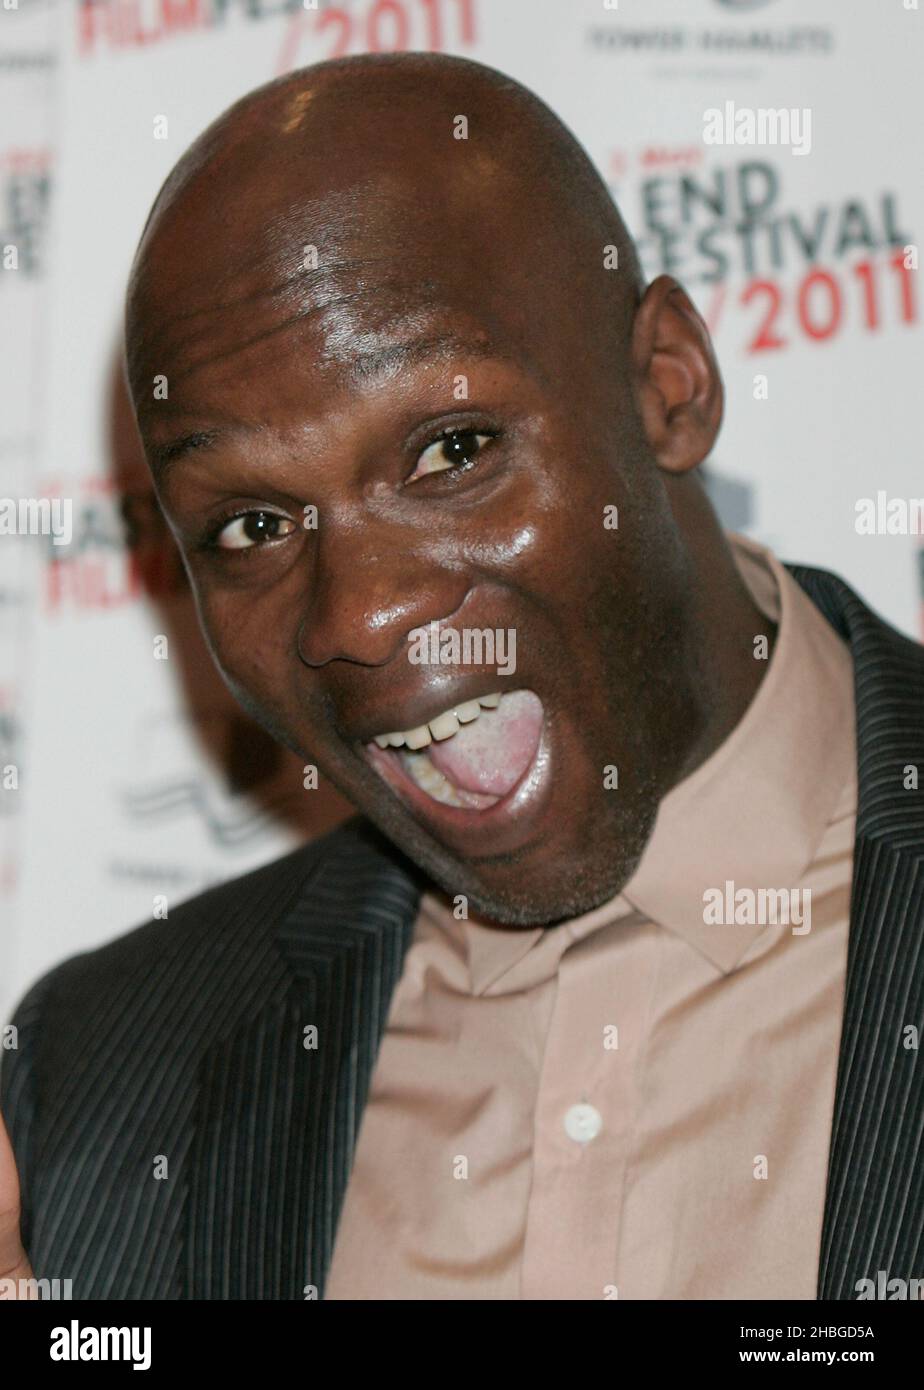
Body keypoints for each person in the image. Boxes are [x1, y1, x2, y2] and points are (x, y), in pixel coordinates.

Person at [1, 52, 921, 1302]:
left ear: (669, 386)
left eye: (453, 449)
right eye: (253, 527)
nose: (363, 614)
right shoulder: (98, 1080)